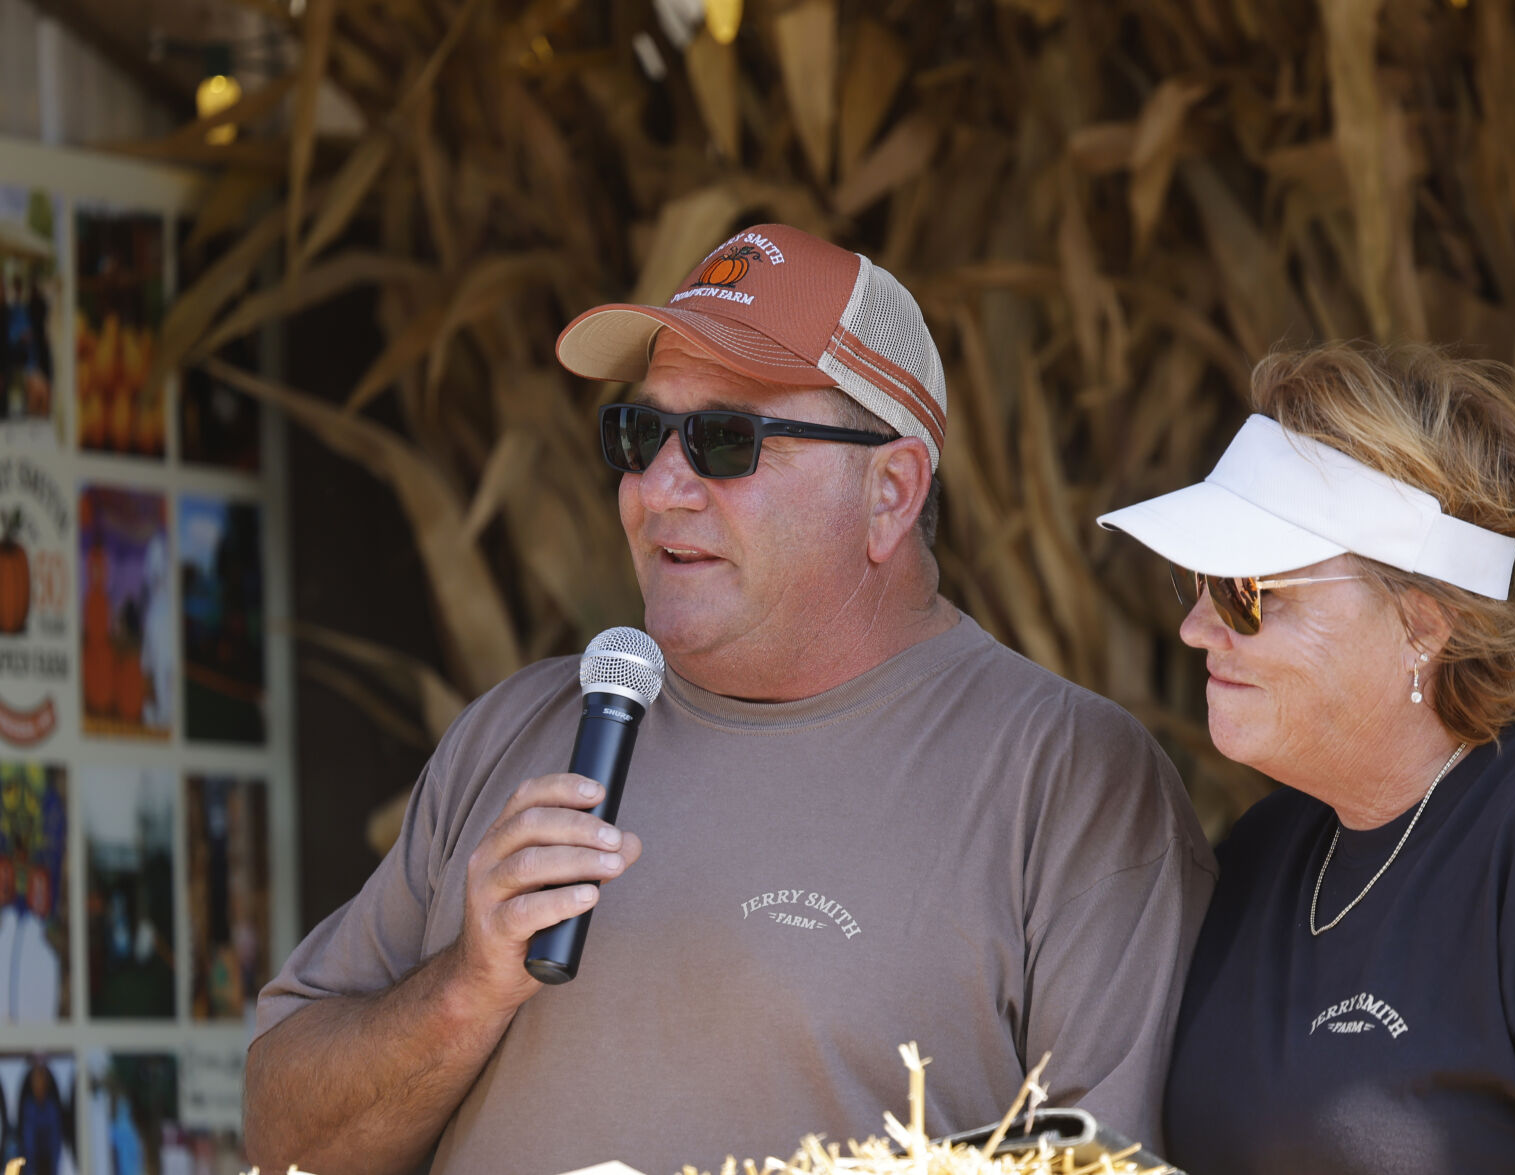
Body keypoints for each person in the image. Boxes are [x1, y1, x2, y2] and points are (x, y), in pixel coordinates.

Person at [246, 223, 1216, 1175]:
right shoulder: (519, 727)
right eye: (638, 431)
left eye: (723, 439)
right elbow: (281, 1136)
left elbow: (1110, 1164)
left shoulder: (1065, 778)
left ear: (890, 490)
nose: (657, 486)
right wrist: (463, 987)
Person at [1099, 341, 1515, 1174]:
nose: (1199, 627)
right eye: (1201, 577)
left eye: (1248, 593)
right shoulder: (1262, 853)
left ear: (1421, 622)